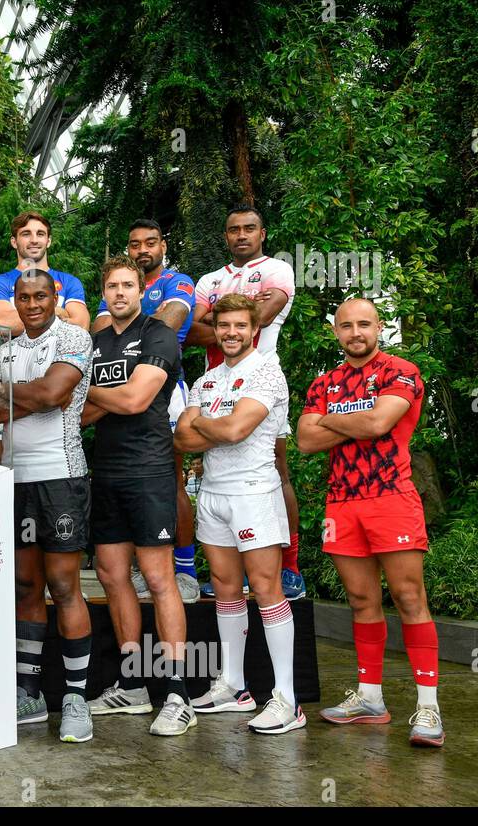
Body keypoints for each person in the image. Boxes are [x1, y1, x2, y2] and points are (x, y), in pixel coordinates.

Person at [298, 298, 442, 747]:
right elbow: (305, 440)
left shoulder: (402, 370)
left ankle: (428, 708)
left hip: (392, 498)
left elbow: (381, 423)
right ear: (335, 332)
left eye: (364, 324)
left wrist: (332, 421)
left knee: (408, 597)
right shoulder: (324, 382)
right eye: (346, 325)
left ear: (379, 327)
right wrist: (354, 421)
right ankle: (370, 699)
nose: (355, 332)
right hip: (342, 503)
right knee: (361, 601)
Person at [175, 294, 304, 734]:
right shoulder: (207, 378)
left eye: (239, 326)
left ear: (254, 330)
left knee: (267, 589)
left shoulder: (267, 371)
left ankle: (287, 700)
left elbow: (234, 430)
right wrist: (218, 428)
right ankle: (234, 686)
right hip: (212, 493)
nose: (231, 333)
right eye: (223, 326)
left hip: (254, 492)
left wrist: (209, 426)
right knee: (227, 590)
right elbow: (181, 439)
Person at [0, 270, 93, 743]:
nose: (32, 304)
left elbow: (53, 393)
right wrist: (31, 399)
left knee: (64, 586)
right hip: (15, 480)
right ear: (15, 302)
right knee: (25, 585)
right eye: (23, 297)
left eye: (40, 295)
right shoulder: (4, 349)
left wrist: (14, 397)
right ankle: (29, 692)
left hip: (61, 476)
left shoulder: (75, 337)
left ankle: (76, 698)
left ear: (55, 296)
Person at [82, 256, 194, 736]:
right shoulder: (95, 342)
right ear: (103, 293)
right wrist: (93, 395)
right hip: (103, 471)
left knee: (157, 576)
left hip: (148, 471)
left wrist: (84, 387)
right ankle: (132, 686)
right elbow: (80, 416)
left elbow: (136, 400)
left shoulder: (158, 335)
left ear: (141, 290)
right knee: (111, 574)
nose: (121, 293)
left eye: (129, 285)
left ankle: (177, 693)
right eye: (112, 286)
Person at [191, 205, 304, 600]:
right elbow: (191, 332)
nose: (241, 235)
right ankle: (230, 572)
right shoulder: (209, 279)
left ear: (262, 233)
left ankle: (289, 567)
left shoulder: (278, 269)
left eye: (249, 229)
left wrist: (222, 323)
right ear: (226, 236)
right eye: (234, 229)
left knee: (277, 469)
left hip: (261, 382)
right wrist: (233, 322)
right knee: (214, 468)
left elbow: (262, 317)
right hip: (216, 385)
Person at [95, 219, 204, 601]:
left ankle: (186, 569)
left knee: (170, 480)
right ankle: (145, 567)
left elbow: (168, 323)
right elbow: (102, 328)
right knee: (128, 476)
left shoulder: (178, 281)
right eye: (135, 243)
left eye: (150, 243)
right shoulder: (118, 285)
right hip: (115, 386)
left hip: (164, 385)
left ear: (163, 245)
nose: (143, 250)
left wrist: (137, 339)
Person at [0, 210, 91, 334]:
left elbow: (81, 326)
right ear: (14, 242)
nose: (34, 240)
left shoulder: (69, 281)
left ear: (49, 241)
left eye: (40, 234)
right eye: (26, 234)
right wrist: (58, 311)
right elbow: (4, 325)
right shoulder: (0, 282)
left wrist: (28, 318)